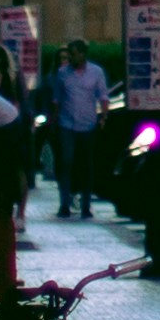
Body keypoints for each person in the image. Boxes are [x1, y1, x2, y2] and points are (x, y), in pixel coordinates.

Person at [47, 36, 110, 223]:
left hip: (88, 124)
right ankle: (64, 203)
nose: (71, 58)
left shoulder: (96, 72)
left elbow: (103, 96)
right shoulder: (62, 73)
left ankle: (86, 205)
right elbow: (57, 99)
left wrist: (103, 116)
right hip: (67, 124)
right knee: (66, 162)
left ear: (82, 54)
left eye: (73, 54)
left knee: (87, 165)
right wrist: (54, 122)